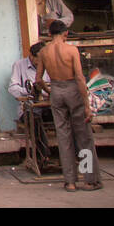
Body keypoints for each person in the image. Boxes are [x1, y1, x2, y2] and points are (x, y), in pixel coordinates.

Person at [32, 20, 100, 191]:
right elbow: (79, 77)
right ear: (65, 33)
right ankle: (89, 179)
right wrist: (86, 105)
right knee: (83, 136)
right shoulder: (71, 50)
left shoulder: (44, 52)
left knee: (63, 137)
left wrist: (50, 90)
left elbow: (38, 79)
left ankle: (70, 181)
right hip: (72, 90)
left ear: (49, 34)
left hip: (56, 90)